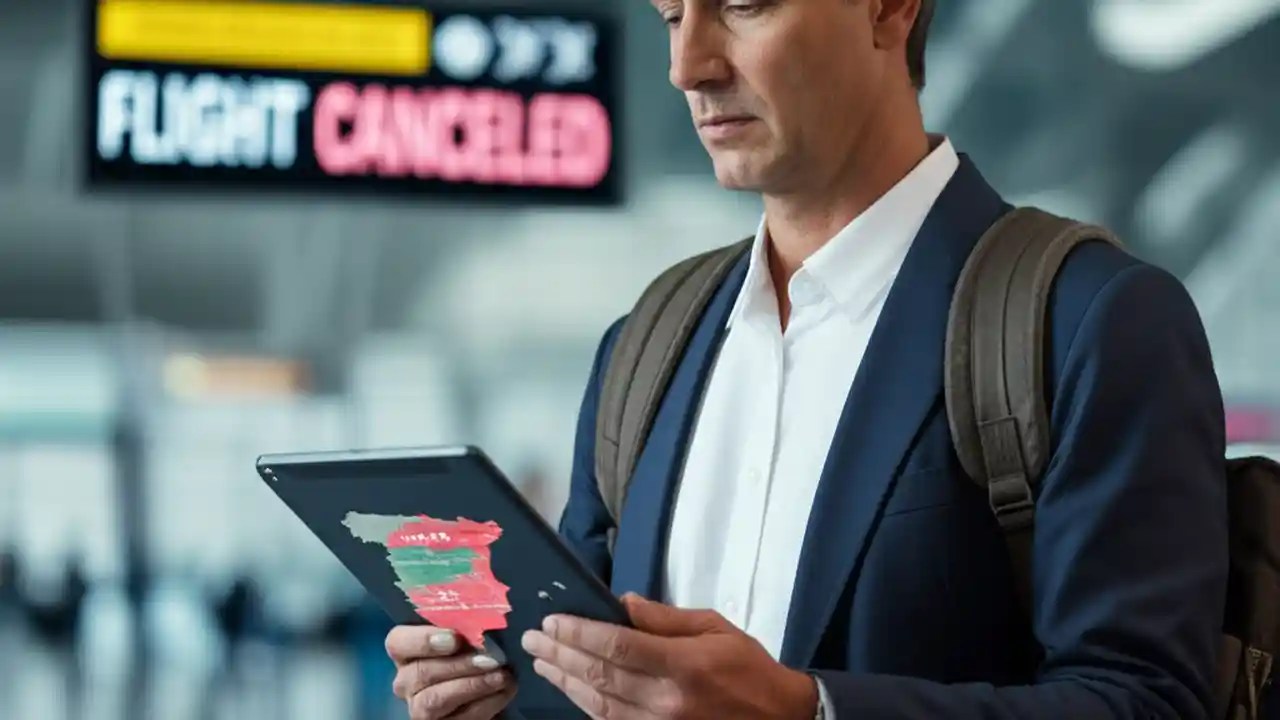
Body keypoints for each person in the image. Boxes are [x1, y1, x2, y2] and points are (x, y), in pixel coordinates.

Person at [384, 0, 1230, 717]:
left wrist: (810, 710)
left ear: (891, 8)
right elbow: (590, 682)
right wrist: (499, 696)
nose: (689, 66)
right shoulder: (644, 346)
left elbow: (1145, 700)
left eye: (743, 5)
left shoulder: (1091, 321)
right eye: (671, 15)